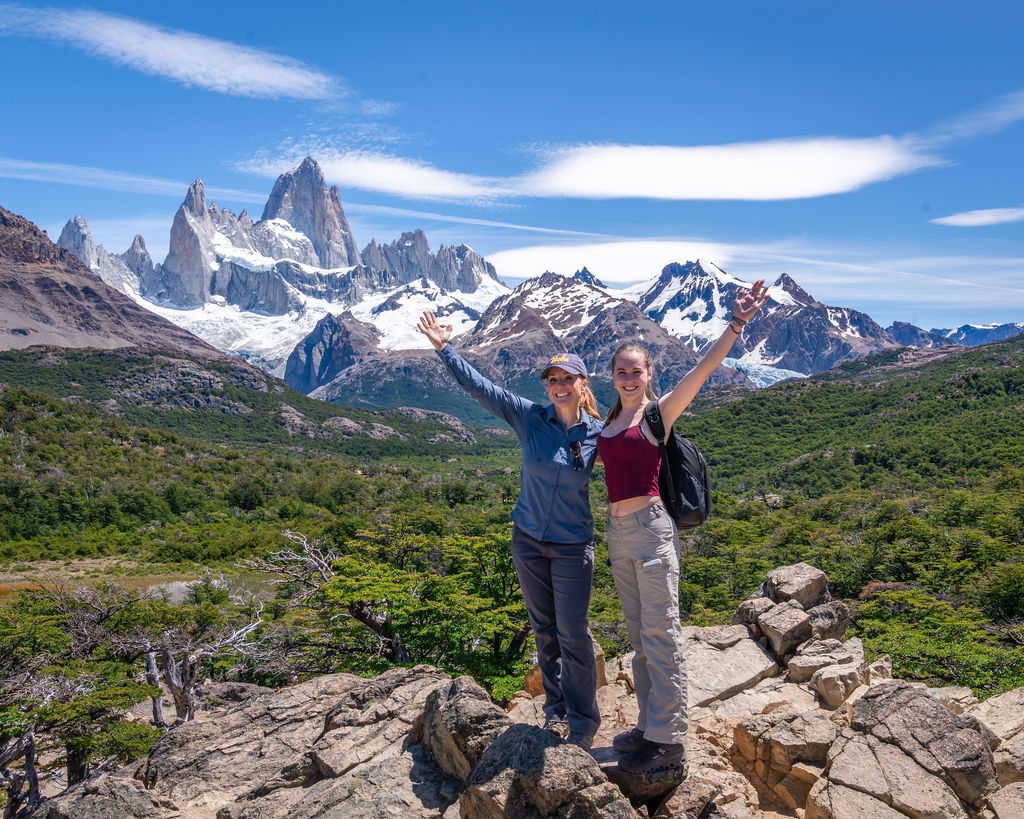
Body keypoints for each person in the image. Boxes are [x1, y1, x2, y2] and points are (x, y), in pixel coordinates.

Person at [597, 281, 769, 774]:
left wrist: (736, 323)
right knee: (638, 635)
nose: (629, 378)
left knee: (662, 633)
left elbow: (703, 369)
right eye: (622, 371)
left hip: (651, 529)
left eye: (637, 371)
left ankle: (668, 739)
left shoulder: (657, 415)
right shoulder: (608, 420)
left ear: (650, 375)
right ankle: (650, 724)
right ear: (612, 376)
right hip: (616, 532)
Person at [416, 310, 604, 749]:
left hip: (574, 546)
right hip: (528, 542)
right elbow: (481, 389)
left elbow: (637, 454)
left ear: (582, 384)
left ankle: (584, 719)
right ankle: (557, 713)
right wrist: (446, 350)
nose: (559, 386)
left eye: (567, 379)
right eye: (552, 379)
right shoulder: (530, 417)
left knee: (573, 634)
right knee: (545, 632)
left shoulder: (600, 433)